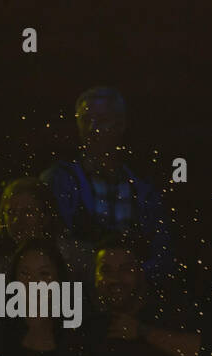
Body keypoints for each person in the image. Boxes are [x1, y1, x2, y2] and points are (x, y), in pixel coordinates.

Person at [40, 86, 174, 284]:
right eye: (86, 120)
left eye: (102, 120)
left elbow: (163, 255)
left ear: (121, 125)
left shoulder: (144, 189)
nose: (93, 128)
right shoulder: (59, 180)